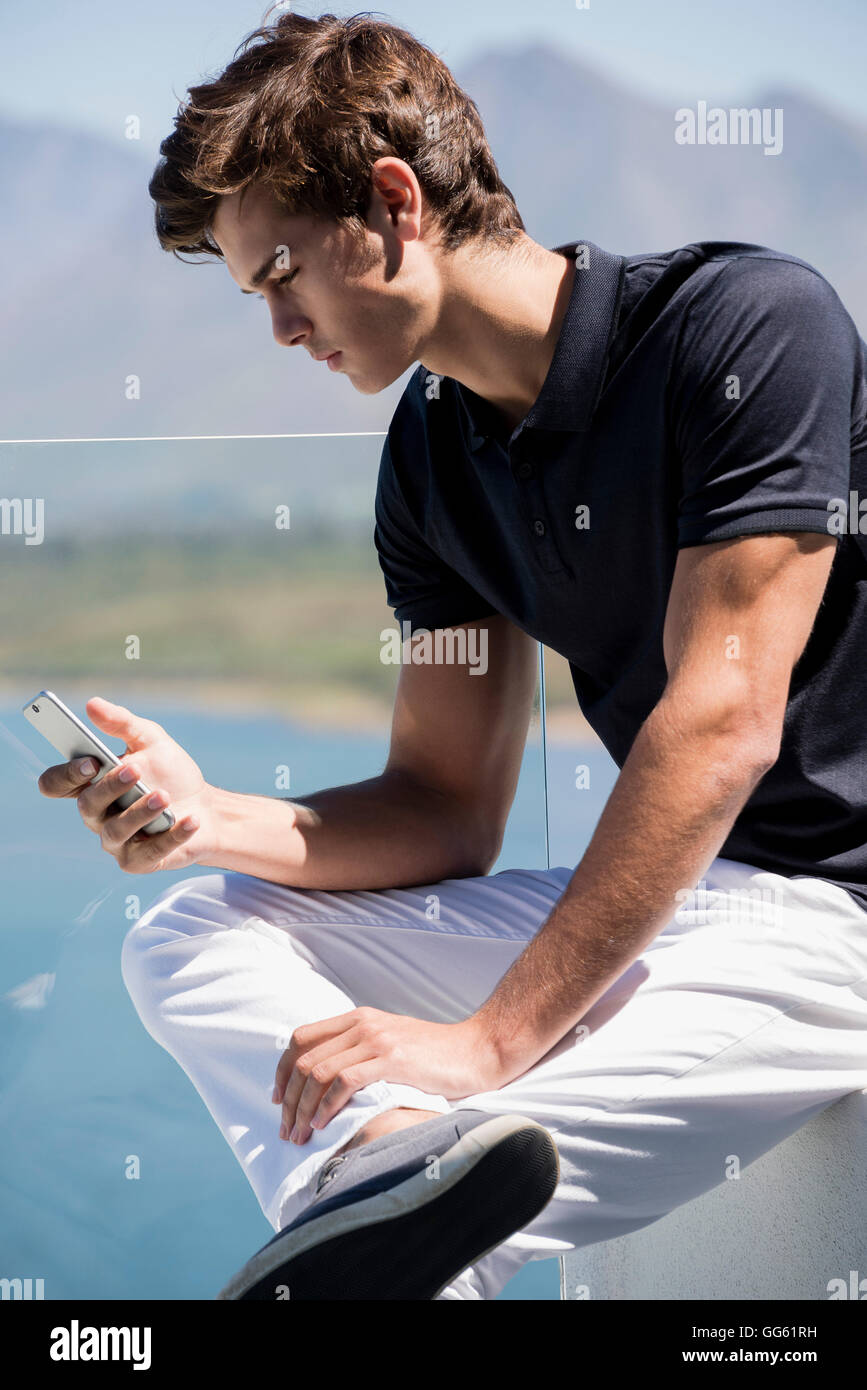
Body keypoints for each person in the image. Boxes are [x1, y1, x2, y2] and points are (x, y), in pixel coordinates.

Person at [38, 10, 867, 1300]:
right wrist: (209, 819)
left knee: (503, 1128)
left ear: (390, 203)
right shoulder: (429, 460)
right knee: (191, 929)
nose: (279, 330)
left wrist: (486, 1039)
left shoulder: (749, 328)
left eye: (280, 276)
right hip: (663, 909)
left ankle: (380, 1223)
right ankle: (373, 1180)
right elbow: (440, 808)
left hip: (833, 914)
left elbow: (721, 723)